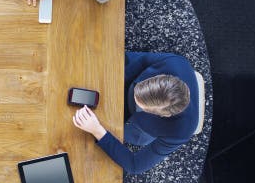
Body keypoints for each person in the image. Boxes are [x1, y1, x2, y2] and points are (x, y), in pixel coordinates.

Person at [72, 51, 200, 174]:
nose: (134, 99)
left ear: (163, 115)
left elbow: (135, 165)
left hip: (139, 129)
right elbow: (138, 60)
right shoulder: (175, 62)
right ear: (157, 77)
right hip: (129, 82)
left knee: (112, 132)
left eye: (141, 106)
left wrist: (98, 131)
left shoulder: (180, 132)